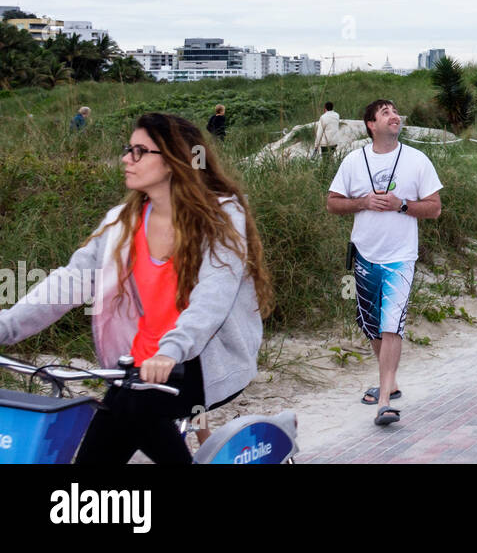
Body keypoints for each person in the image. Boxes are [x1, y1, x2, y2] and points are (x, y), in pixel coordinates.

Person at [0, 112, 273, 463]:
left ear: (174, 160)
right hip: (137, 366)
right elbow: (68, 283)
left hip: (193, 361)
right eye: (128, 149)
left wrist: (171, 350)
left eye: (140, 151)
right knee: (116, 430)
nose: (126, 159)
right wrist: (6, 326)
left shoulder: (220, 217)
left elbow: (214, 295)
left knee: (130, 411)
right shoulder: (121, 222)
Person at [327, 99, 442, 425]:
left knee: (392, 324)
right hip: (364, 254)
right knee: (373, 325)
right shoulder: (353, 161)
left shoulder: (416, 160)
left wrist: (401, 204)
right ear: (371, 125)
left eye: (395, 111)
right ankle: (389, 382)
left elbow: (434, 208)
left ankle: (385, 403)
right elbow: (332, 204)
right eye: (385, 113)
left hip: (401, 257)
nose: (394, 116)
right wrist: (363, 202)